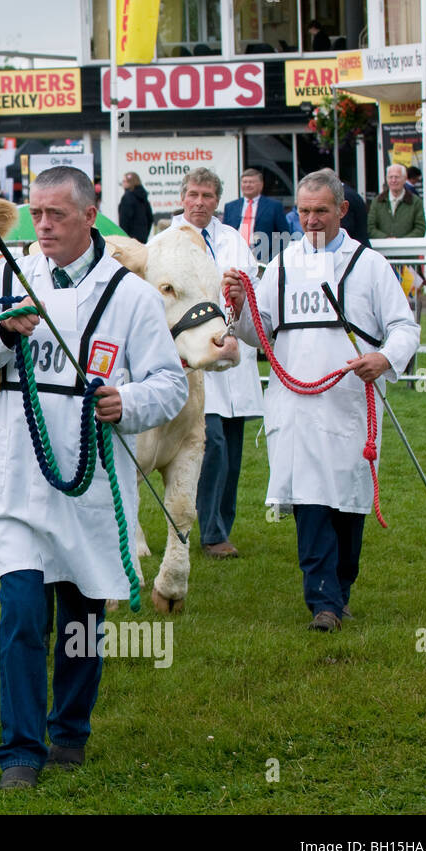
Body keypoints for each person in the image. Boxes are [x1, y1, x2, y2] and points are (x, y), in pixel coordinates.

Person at [0, 166, 189, 788]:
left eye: (58, 214)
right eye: (38, 213)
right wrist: (2, 330)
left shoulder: (131, 296)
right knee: (23, 611)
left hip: (91, 477)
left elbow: (170, 383)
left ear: (91, 216)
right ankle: (21, 753)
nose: (45, 225)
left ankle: (70, 733)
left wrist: (126, 403)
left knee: (83, 616)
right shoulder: (7, 278)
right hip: (19, 472)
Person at [223, 169, 420, 632]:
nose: (311, 221)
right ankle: (323, 602)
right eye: (304, 212)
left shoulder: (369, 265)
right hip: (295, 402)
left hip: (351, 401)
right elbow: (261, 334)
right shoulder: (284, 263)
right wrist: (240, 307)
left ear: (342, 211)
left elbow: (405, 328)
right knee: (308, 499)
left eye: (320, 211)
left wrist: (383, 359)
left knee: (347, 503)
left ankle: (341, 585)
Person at [173, 168, 263, 559]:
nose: (199, 202)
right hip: (192, 358)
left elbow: (251, 283)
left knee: (232, 442)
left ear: (217, 201)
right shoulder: (166, 241)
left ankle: (220, 524)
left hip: (232, 354)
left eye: (207, 196)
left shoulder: (233, 240)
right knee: (212, 444)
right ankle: (209, 532)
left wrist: (242, 294)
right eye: (193, 194)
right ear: (182, 197)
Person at [222, 168, 285, 262]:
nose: (247, 185)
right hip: (235, 258)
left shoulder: (274, 206)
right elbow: (224, 233)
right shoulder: (230, 206)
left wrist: (272, 258)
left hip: (263, 259)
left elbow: (284, 235)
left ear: (261, 185)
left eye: (251, 182)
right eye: (245, 182)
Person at [368, 164, 426, 240]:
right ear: (386, 179)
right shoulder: (377, 201)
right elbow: (370, 227)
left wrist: (401, 242)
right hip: (382, 250)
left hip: (408, 250)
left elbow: (420, 229)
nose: (393, 180)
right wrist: (386, 238)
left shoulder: (416, 202)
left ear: (405, 179)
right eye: (390, 177)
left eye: (397, 177)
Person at [117, 172, 153, 243]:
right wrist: (145, 233)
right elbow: (150, 218)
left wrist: (124, 237)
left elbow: (124, 220)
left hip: (130, 238)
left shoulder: (127, 197)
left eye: (124, 181)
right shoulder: (143, 197)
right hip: (143, 238)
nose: (122, 184)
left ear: (130, 183)